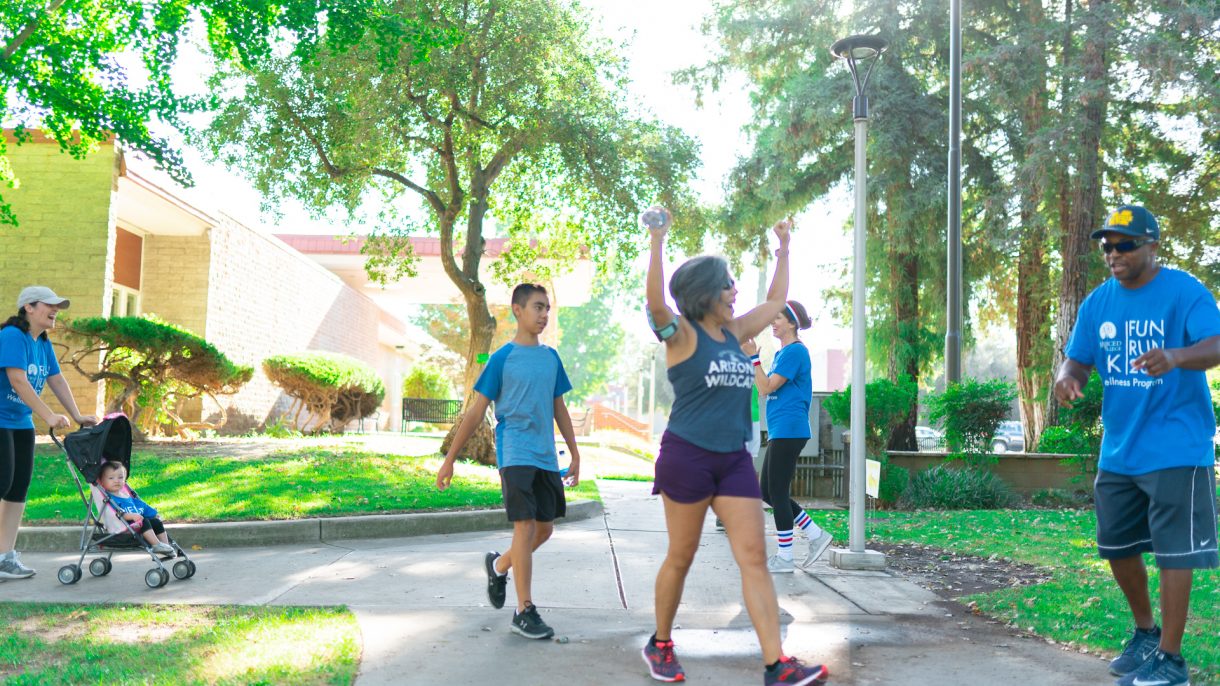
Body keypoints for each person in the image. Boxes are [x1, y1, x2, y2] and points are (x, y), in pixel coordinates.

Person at [642, 207, 828, 686]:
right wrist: (658, 241)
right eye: (727, 284)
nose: (735, 291)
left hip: (732, 460)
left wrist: (785, 247)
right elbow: (657, 306)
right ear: (705, 292)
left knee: (754, 557)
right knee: (680, 557)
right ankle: (660, 642)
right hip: (686, 457)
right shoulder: (680, 334)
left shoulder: (735, 332)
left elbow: (777, 300)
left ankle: (776, 665)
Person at [1053, 204, 1220, 686]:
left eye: (1125, 244)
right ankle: (1146, 632)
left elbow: (1215, 343)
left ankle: (1171, 660)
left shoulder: (1184, 291)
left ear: (1152, 246)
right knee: (1116, 545)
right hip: (1120, 448)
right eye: (1107, 246)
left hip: (1176, 444)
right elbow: (1077, 361)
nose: (1113, 253)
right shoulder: (1099, 303)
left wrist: (1176, 355)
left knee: (1174, 552)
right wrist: (1068, 379)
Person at [435, 283, 581, 641]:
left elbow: (559, 407)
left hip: (546, 456)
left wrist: (575, 452)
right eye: (537, 307)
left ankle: (499, 565)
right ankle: (524, 610)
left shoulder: (551, 359)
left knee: (545, 530)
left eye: (547, 308)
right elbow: (475, 412)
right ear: (517, 310)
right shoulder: (502, 358)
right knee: (526, 527)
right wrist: (450, 459)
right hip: (514, 453)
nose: (544, 314)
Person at [0, 286, 99, 580]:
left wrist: (77, 414)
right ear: (29, 307)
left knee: (17, 490)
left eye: (59, 306)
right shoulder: (11, 336)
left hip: (20, 422)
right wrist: (49, 416)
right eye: (50, 305)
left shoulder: (42, 342)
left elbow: (56, 380)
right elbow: (17, 380)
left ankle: (5, 557)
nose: (56, 310)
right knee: (2, 483)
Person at [741, 300, 834, 573]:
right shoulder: (783, 354)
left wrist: (754, 359)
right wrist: (753, 358)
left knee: (777, 491)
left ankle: (785, 557)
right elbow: (762, 388)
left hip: (791, 429)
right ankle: (815, 534)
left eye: (778, 318)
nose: (773, 322)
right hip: (781, 429)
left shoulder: (795, 352)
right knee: (767, 491)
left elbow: (768, 386)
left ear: (792, 323)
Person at [97, 461, 175, 556]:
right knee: (144, 522)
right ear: (101, 481)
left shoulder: (127, 496)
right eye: (111, 478)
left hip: (137, 525)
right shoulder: (109, 499)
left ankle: (166, 546)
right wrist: (133, 516)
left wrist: (154, 514)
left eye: (120, 477)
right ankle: (156, 544)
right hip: (124, 528)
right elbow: (116, 514)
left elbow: (142, 507)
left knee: (156, 522)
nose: (116, 480)